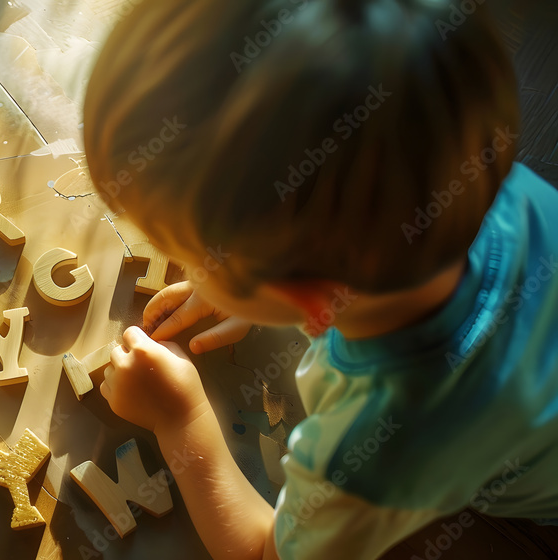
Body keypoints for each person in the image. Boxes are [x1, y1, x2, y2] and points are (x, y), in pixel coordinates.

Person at [83, 0, 558, 558]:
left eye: (194, 260)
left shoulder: (375, 442)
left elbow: (267, 553)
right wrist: (254, 284)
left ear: (303, 297)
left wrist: (180, 421)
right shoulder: (462, 165)